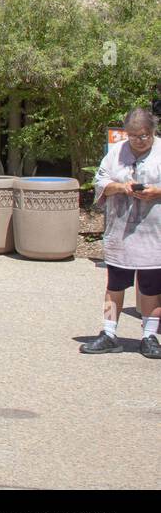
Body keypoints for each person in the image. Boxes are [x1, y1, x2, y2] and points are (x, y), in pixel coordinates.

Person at [81, 107, 161, 357]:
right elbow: (101, 181)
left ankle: (149, 336)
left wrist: (156, 192)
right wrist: (119, 187)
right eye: (133, 135)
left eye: (143, 136)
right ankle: (108, 332)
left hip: (153, 233)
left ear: (153, 131)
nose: (138, 140)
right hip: (121, 232)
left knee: (151, 288)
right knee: (114, 285)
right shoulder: (116, 153)